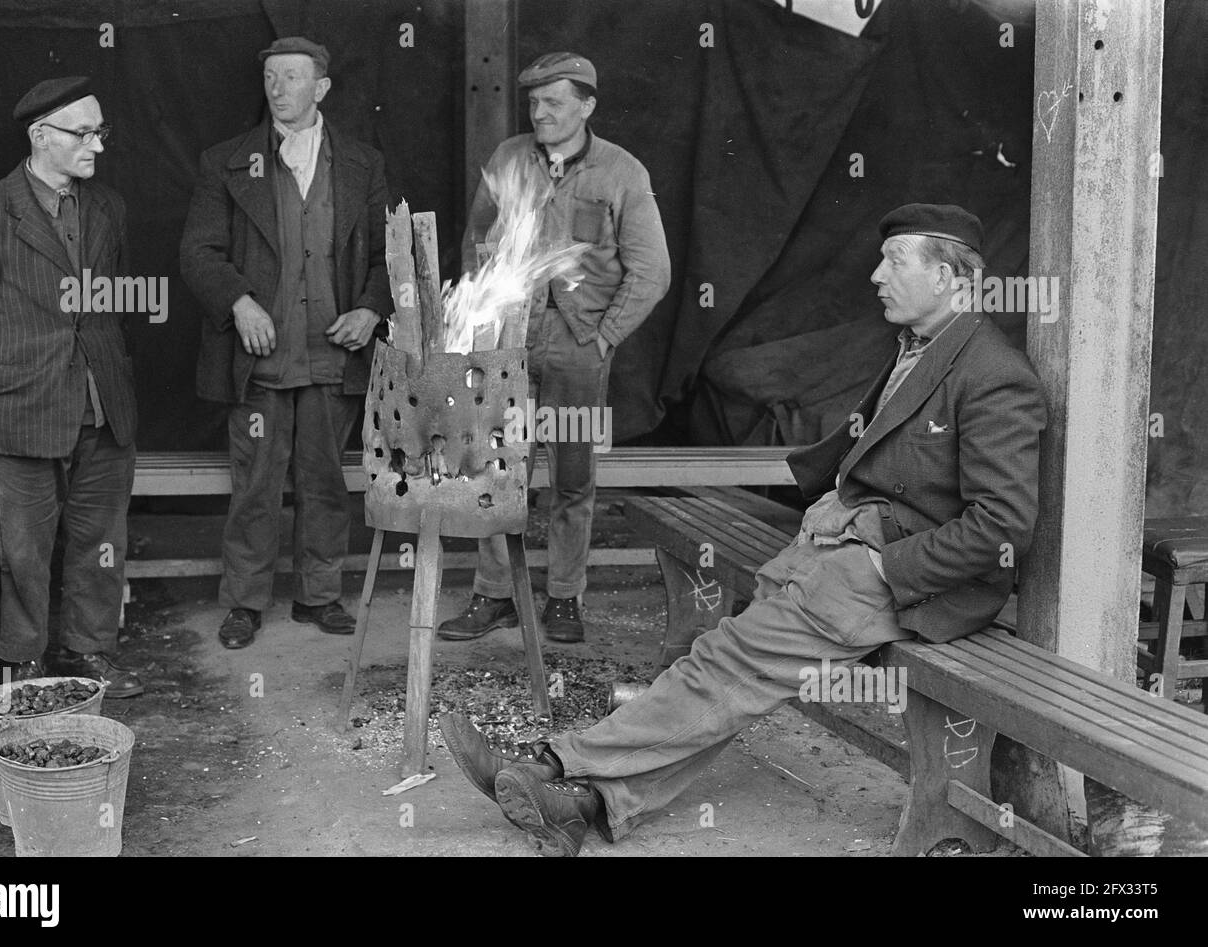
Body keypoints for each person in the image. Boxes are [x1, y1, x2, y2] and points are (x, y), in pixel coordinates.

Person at [440, 203, 1048, 855]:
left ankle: (550, 765)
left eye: (895, 261)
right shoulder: (920, 347)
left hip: (904, 580)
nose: (875, 274)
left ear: (953, 277)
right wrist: (840, 508)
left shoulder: (993, 377)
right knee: (734, 670)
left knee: (725, 662)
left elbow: (1001, 526)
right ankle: (588, 804)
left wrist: (883, 565)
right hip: (848, 546)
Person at [438, 52, 671, 645]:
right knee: (496, 469)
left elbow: (652, 273)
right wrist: (486, 322)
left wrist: (601, 338)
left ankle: (564, 596)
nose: (539, 113)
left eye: (554, 103)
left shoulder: (622, 173)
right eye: (534, 103)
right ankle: (493, 596)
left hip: (575, 351)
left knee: (572, 479)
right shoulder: (510, 159)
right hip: (508, 348)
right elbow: (475, 242)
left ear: (587, 106)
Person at [180, 37, 394, 649]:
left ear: (321, 87)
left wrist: (370, 309)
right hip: (260, 361)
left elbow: (387, 255)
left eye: (292, 77)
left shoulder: (360, 163)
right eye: (271, 77)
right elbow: (198, 252)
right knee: (255, 485)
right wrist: (239, 301)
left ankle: (319, 596)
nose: (278, 88)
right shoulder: (227, 161)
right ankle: (245, 603)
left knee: (326, 480)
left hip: (333, 355)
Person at [0, 77, 142, 697]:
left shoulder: (109, 209)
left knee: (100, 540)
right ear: (40, 136)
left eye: (100, 132)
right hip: (20, 407)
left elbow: (111, 306)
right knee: (24, 549)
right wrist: (6, 380)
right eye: (84, 133)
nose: (97, 147)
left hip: (103, 407)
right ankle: (25, 661)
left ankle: (90, 649)